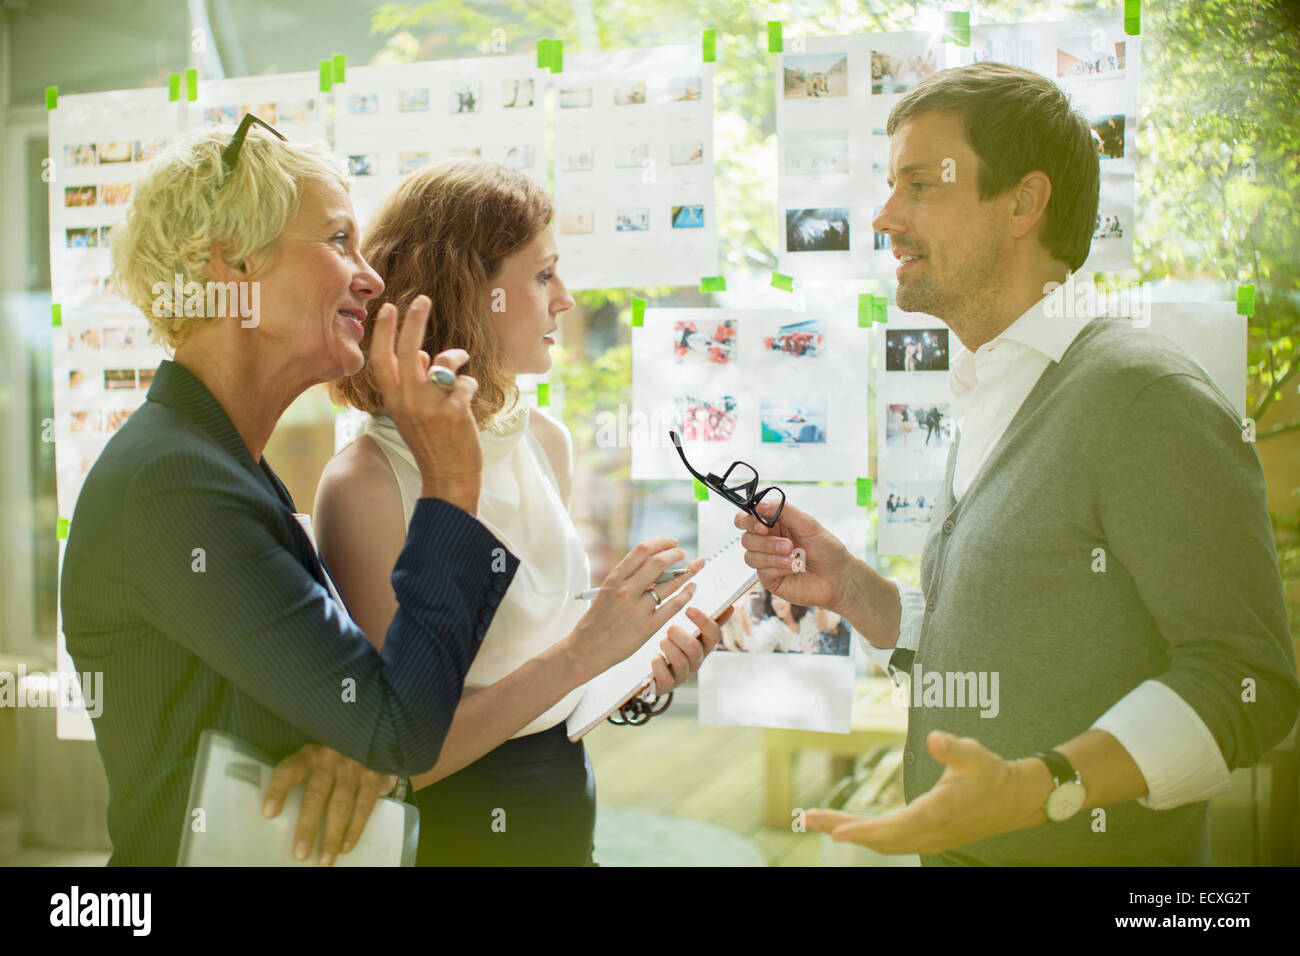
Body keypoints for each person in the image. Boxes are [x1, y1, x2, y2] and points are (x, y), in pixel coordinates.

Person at [735, 62, 1299, 865]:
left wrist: (1048, 785)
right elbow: (1020, 635)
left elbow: (1250, 684)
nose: (885, 217)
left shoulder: (1143, 399)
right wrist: (854, 589)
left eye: (921, 185)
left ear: (1024, 204)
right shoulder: (992, 382)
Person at [59, 122, 522, 866]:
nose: (370, 278)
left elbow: (361, 716)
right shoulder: (173, 484)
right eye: (339, 240)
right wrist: (451, 484)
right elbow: (397, 728)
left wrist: (350, 742)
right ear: (235, 262)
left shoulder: (216, 463)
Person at [316, 159, 729, 866]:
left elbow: (546, 683)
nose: (565, 301)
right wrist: (583, 653)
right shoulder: (364, 483)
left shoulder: (546, 443)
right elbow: (397, 758)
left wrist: (633, 669)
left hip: (566, 819)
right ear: (469, 292)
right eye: (542, 276)